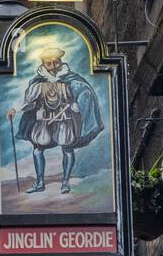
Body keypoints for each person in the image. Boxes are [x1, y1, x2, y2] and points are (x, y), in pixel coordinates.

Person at [6, 44, 104, 196]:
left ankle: (65, 182)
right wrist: (16, 110)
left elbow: (84, 92)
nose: (53, 66)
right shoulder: (38, 83)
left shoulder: (71, 80)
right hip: (43, 121)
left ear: (60, 61)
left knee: (67, 148)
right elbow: (29, 102)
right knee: (38, 149)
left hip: (64, 120)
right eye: (48, 63)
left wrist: (77, 104)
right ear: (43, 64)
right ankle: (39, 182)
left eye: (56, 62)